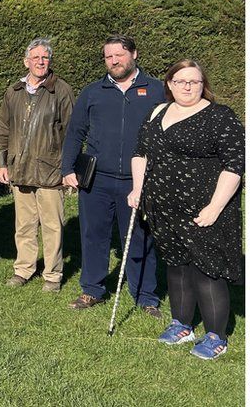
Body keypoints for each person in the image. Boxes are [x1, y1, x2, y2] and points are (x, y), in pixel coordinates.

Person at [129, 60, 244, 360]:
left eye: (194, 81)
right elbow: (140, 154)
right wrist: (137, 189)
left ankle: (216, 336)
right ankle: (182, 324)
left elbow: (234, 166)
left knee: (207, 270)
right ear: (169, 83)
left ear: (203, 83)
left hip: (205, 208)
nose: (187, 87)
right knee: (177, 265)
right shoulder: (157, 112)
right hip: (164, 208)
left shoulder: (220, 116)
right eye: (181, 81)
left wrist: (215, 207)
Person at [61, 35, 162, 311]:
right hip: (97, 180)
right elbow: (75, 132)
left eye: (119, 54)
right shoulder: (93, 92)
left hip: (139, 181)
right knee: (93, 235)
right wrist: (67, 168)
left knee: (141, 238)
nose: (114, 60)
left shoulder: (157, 90)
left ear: (134, 54)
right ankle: (92, 289)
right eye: (108, 56)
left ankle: (145, 295)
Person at [0, 38, 73, 292]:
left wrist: (68, 168)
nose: (40, 62)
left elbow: (72, 132)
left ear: (50, 61)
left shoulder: (60, 90)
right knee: (24, 225)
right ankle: (24, 269)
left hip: (50, 169)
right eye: (36, 57)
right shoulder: (14, 91)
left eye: (45, 57)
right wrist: (1, 163)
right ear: (26, 61)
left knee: (52, 225)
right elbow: (3, 129)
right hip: (20, 168)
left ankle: (53, 274)